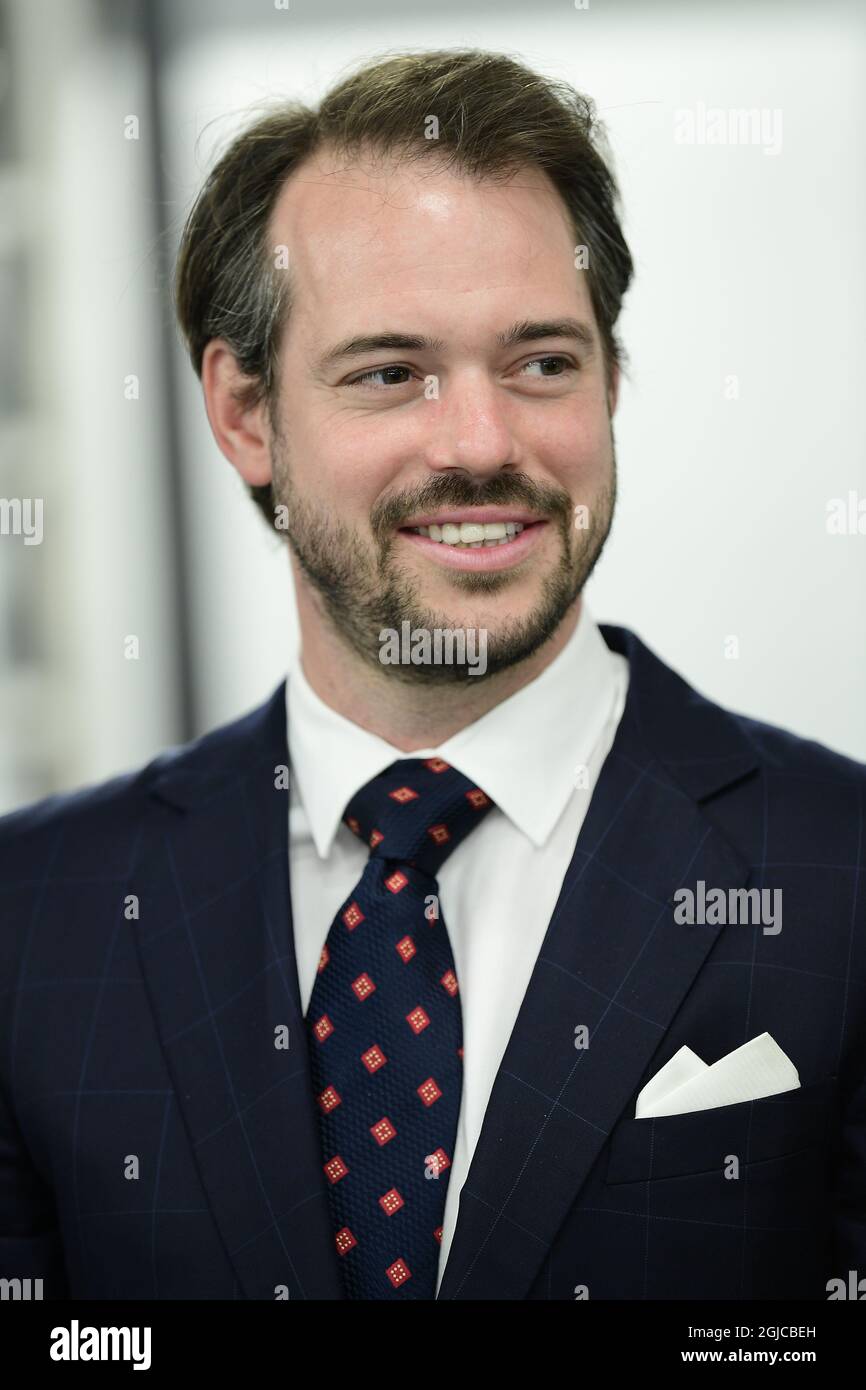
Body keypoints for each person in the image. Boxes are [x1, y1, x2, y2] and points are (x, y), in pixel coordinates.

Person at [1, 49, 863, 1302]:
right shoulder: (32, 920)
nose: (480, 444)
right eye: (389, 373)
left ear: (610, 380)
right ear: (244, 412)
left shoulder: (838, 877)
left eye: (541, 363)